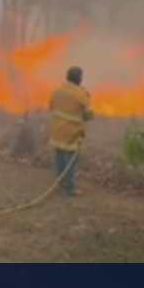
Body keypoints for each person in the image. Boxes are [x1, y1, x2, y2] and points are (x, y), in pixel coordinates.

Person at [48, 66, 95, 196]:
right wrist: (87, 98)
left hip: (57, 131)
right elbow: (90, 115)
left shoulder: (57, 91)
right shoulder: (80, 94)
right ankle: (68, 188)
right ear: (79, 78)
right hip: (71, 134)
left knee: (59, 159)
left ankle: (60, 183)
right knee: (69, 162)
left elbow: (51, 107)